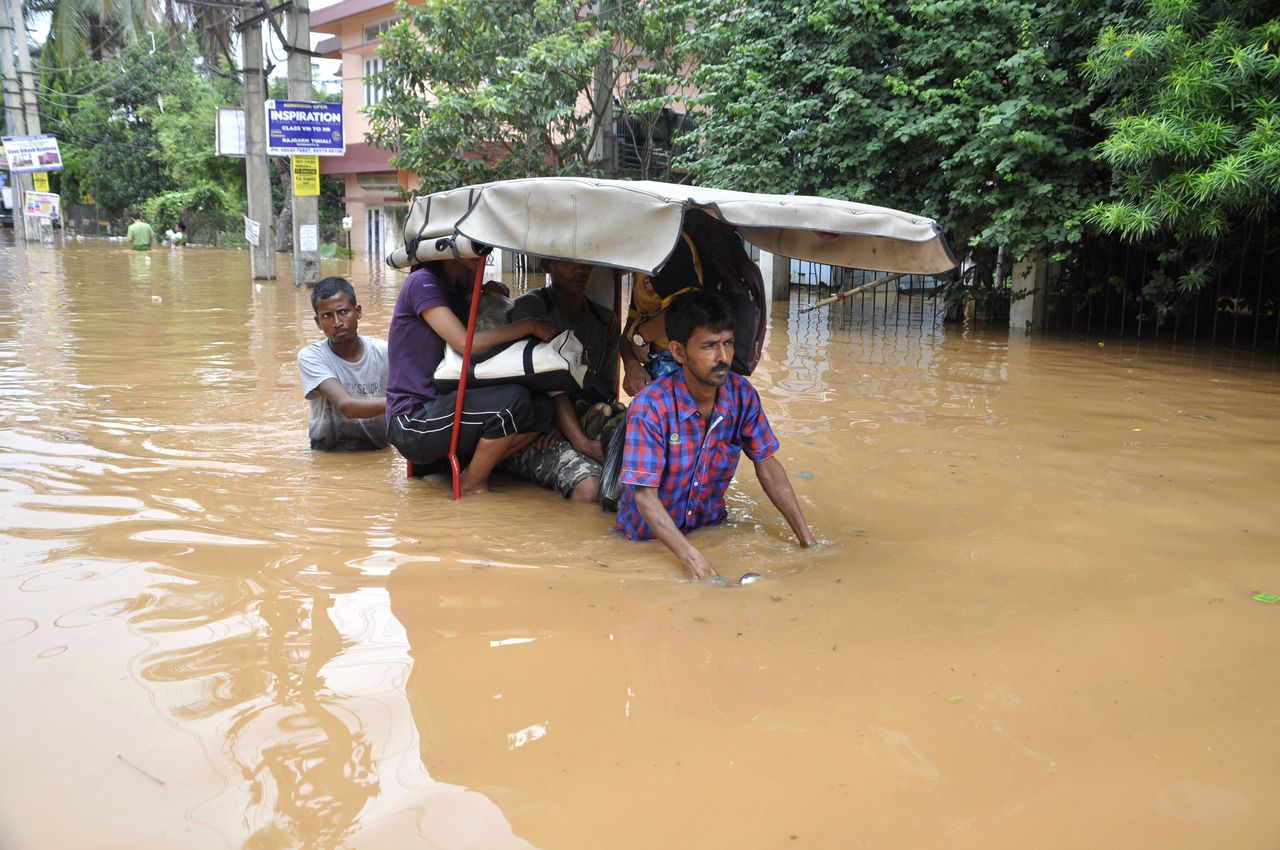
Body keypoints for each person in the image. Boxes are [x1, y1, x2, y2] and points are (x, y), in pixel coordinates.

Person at [615, 289, 814, 581]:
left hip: (711, 531)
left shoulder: (742, 395)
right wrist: (692, 558)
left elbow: (767, 465)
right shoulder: (650, 408)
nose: (723, 357)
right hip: (648, 544)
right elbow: (645, 497)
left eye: (728, 343)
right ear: (679, 351)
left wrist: (807, 541)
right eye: (709, 346)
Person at [385, 255, 559, 494]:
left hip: (442, 404)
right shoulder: (422, 282)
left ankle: (473, 472)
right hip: (413, 420)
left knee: (542, 408)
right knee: (513, 400)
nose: (482, 252)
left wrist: (493, 293)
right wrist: (529, 325)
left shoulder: (455, 288)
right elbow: (467, 344)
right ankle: (473, 486)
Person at [501, 259, 621, 501]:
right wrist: (581, 443)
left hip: (579, 420)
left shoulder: (605, 320)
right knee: (590, 487)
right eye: (568, 263)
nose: (581, 270)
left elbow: (607, 391)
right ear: (546, 265)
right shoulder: (529, 312)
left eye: (586, 262)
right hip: (533, 428)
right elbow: (547, 387)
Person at [296, 276, 389, 451]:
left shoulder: (384, 352)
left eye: (343, 312)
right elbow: (347, 406)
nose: (337, 323)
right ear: (317, 322)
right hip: (329, 454)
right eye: (327, 316)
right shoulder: (312, 357)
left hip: (376, 451)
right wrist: (405, 402)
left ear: (358, 312)